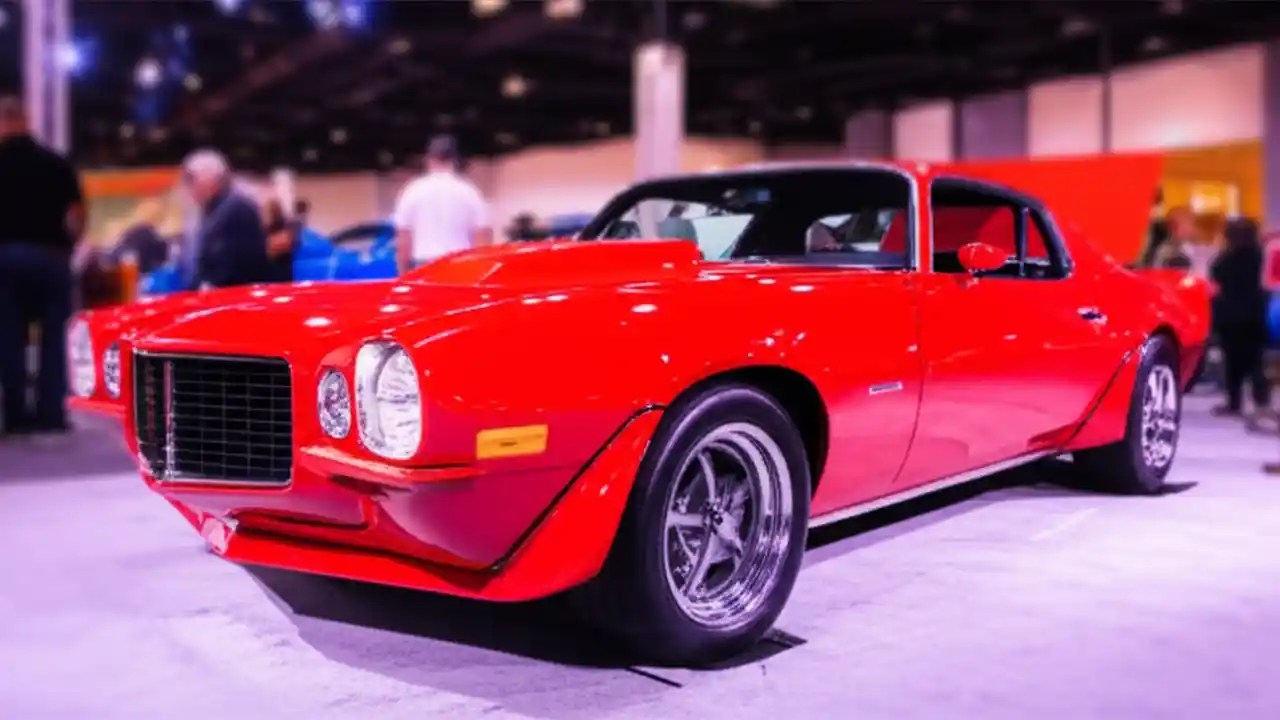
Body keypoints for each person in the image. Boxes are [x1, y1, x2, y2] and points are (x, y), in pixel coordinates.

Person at [0, 95, 84, 435]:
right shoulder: (56, 163)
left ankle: (17, 416)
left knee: (9, 337)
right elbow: (76, 217)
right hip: (50, 259)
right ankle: (51, 414)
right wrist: (67, 248)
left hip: (4, 260)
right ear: (27, 120)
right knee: (54, 339)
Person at [393, 135, 492, 271]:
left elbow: (404, 240)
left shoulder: (412, 191)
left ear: (428, 159)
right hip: (461, 265)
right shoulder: (470, 192)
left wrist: (403, 273)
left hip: (424, 266)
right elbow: (482, 238)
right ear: (455, 160)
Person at [1210, 218, 1270, 418]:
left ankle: (1234, 403)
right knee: (1255, 360)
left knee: (1233, 361)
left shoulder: (1227, 258)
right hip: (1254, 314)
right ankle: (1262, 400)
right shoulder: (1258, 255)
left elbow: (1216, 277)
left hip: (1231, 315)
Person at [183, 150, 269, 288]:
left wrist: (208, 287)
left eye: (192, 180)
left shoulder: (237, 209)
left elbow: (240, 264)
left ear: (212, 180)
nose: (189, 188)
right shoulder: (211, 211)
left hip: (232, 298)